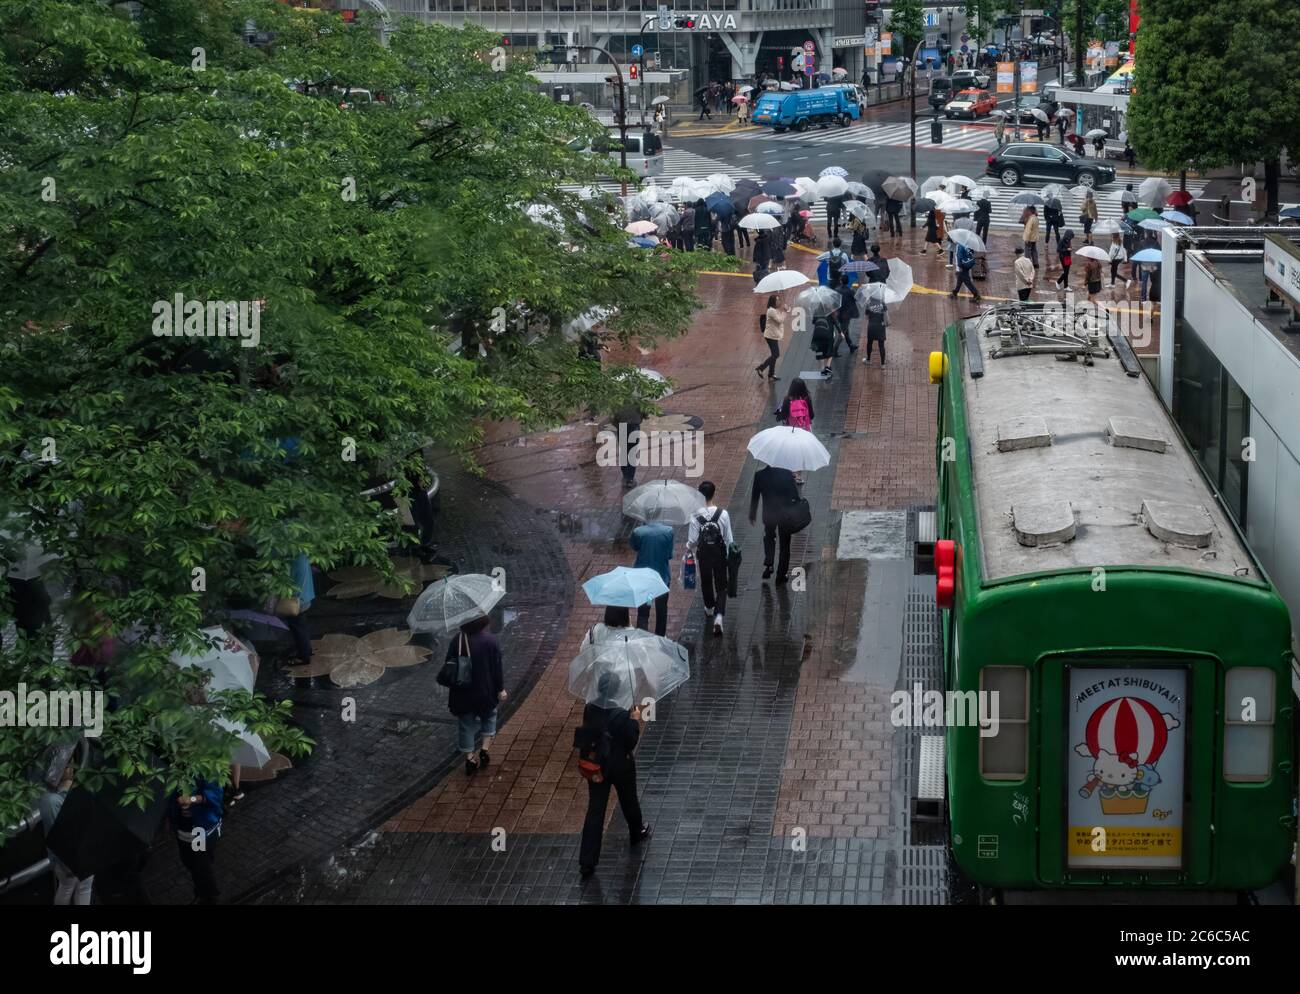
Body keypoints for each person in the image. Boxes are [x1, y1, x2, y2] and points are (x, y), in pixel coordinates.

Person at [576, 672, 650, 879]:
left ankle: (587, 861)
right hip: (621, 766)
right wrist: (635, 719)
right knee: (628, 799)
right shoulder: (621, 714)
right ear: (617, 690)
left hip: (597, 766)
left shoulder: (590, 708)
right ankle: (637, 831)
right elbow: (631, 740)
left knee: (595, 810)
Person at [446, 614, 506, 775]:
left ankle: (470, 758)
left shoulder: (457, 641)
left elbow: (449, 665)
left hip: (462, 694)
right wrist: (500, 689)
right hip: (485, 692)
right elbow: (496, 669)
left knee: (466, 726)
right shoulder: (490, 641)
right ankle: (485, 749)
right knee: (489, 717)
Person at [38, 762, 94, 905]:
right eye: (67, 765)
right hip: (67, 856)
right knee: (70, 886)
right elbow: (55, 833)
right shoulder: (51, 800)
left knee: (81, 887)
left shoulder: (76, 794)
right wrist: (65, 863)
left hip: (83, 851)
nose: (70, 767)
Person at [686, 481, 735, 635]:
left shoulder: (695, 516)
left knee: (706, 582)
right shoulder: (723, 514)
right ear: (714, 493)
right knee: (721, 585)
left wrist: (688, 547)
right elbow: (729, 539)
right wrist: (730, 556)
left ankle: (709, 608)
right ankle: (719, 617)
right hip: (719, 554)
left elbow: (693, 541)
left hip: (704, 555)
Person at [169, 776, 224, 905]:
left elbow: (216, 793)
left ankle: (209, 897)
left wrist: (192, 799)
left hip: (200, 830)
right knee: (189, 861)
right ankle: (202, 893)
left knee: (200, 865)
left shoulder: (206, 764)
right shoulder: (174, 765)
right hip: (183, 829)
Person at [749, 463, 800, 584]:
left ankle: (769, 563)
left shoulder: (759, 475)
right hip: (785, 515)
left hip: (769, 513)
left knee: (769, 537)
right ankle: (781, 574)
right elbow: (794, 495)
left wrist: (752, 514)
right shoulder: (787, 474)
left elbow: (755, 496)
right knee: (785, 545)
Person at [630, 517, 673, 635]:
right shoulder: (668, 531)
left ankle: (642, 637)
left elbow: (634, 546)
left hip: (645, 582)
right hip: (661, 579)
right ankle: (660, 637)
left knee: (644, 611)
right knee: (661, 609)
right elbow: (669, 555)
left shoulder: (638, 532)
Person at [614, 402, 642, 488]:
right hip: (634, 426)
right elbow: (645, 412)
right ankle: (630, 479)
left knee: (624, 452)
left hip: (622, 426)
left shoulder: (618, 398)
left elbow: (613, 416)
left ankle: (625, 475)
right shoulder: (638, 399)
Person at [756, 294, 784, 380]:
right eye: (777, 300)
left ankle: (771, 374)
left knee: (774, 354)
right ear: (773, 302)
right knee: (776, 354)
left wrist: (783, 309)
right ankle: (761, 368)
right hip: (770, 336)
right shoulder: (771, 311)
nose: (778, 301)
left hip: (773, 335)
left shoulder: (774, 310)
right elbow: (780, 320)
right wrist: (783, 311)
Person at [835, 274, 859, 353]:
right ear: (848, 282)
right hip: (847, 315)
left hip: (839, 314)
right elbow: (856, 298)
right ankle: (834, 350)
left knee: (845, 330)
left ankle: (851, 345)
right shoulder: (850, 291)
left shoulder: (837, 290)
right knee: (842, 332)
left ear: (841, 281)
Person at [810, 308, 837, 378]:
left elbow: (813, 322)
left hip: (817, 334)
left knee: (819, 352)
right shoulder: (830, 310)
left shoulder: (816, 310)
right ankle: (827, 367)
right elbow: (835, 322)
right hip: (827, 335)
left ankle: (822, 370)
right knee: (830, 351)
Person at [862, 295, 888, 365]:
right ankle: (883, 364)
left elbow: (866, 317)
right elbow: (886, 316)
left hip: (871, 326)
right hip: (880, 326)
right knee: (881, 345)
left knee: (869, 343)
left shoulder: (868, 304)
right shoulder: (883, 303)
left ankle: (868, 360)